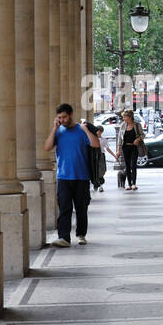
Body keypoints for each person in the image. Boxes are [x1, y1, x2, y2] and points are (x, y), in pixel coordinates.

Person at [44, 103, 99, 246]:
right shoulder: (59, 131)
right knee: (64, 208)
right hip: (63, 176)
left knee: (81, 208)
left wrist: (86, 130)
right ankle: (64, 238)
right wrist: (54, 128)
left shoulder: (81, 130)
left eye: (64, 117)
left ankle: (81, 234)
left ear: (71, 115)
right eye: (59, 117)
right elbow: (47, 147)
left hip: (81, 176)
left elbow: (95, 144)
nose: (62, 120)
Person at [117, 107, 145, 191]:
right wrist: (118, 150)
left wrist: (138, 139)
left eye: (125, 117)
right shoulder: (123, 125)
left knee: (133, 165)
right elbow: (119, 138)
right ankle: (129, 184)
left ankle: (134, 183)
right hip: (125, 147)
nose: (123, 118)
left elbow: (143, 135)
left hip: (134, 147)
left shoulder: (137, 125)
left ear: (129, 117)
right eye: (123, 117)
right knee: (127, 166)